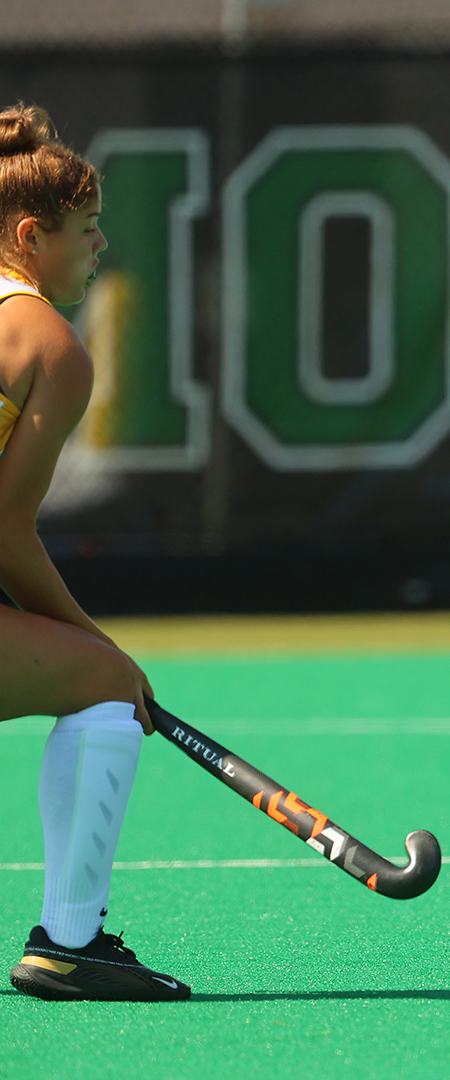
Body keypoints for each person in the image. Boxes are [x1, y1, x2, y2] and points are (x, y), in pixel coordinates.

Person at [0, 103, 190, 1003]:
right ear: (32, 236)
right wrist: (106, 651)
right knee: (106, 688)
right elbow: (6, 531)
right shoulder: (46, 342)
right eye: (86, 230)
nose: (102, 245)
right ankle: (70, 946)